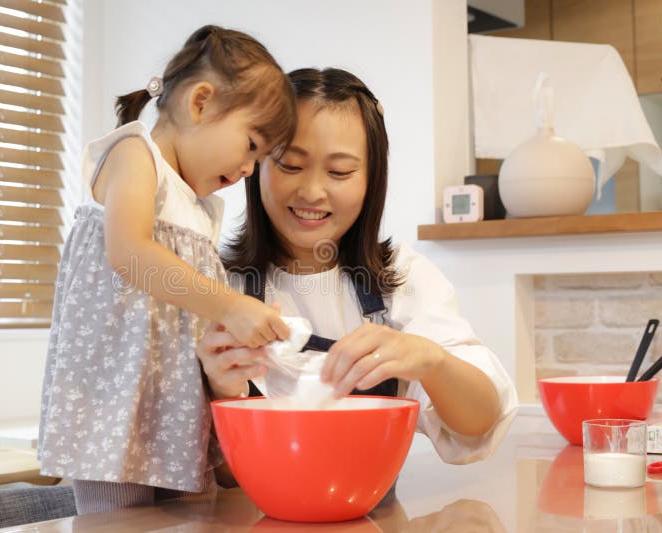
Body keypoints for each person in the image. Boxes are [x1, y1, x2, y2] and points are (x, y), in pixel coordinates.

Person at [198, 68, 518, 467]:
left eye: (340, 172)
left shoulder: (401, 279)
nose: (312, 191)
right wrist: (223, 391)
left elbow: (480, 423)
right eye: (290, 165)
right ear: (256, 165)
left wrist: (430, 359)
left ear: (372, 179)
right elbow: (222, 479)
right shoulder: (213, 288)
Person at [38, 25, 297, 514]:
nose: (248, 169)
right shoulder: (135, 156)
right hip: (113, 408)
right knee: (120, 523)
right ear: (201, 103)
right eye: (250, 145)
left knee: (198, 517)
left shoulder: (200, 207)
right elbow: (129, 253)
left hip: (178, 410)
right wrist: (229, 303)